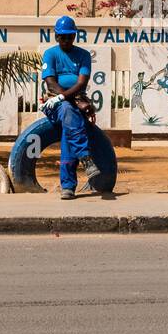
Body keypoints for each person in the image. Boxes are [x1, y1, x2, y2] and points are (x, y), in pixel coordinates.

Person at [40, 15, 97, 199]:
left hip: (75, 102)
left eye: (70, 36)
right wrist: (64, 98)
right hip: (54, 103)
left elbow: (81, 83)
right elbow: (51, 84)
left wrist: (67, 98)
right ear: (56, 36)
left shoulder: (83, 55)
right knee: (65, 109)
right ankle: (86, 159)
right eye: (63, 36)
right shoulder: (50, 54)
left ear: (74, 36)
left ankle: (68, 187)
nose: (66, 40)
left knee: (68, 132)